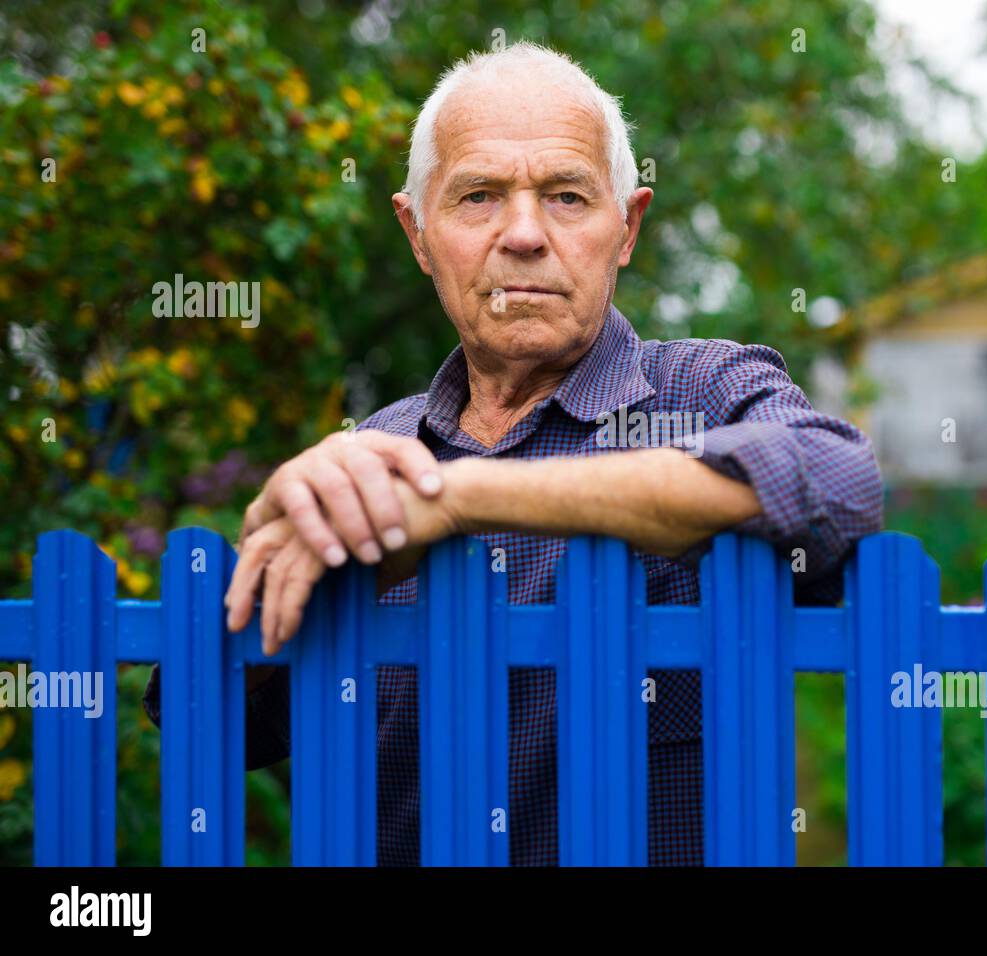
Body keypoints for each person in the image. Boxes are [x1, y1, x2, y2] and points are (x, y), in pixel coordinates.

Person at [144, 40, 884, 866]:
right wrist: (263, 558)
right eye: (478, 197)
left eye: (567, 196)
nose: (524, 235)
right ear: (418, 233)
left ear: (628, 226)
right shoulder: (368, 456)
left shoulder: (702, 390)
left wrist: (459, 499)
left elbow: (838, 481)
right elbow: (206, 723)